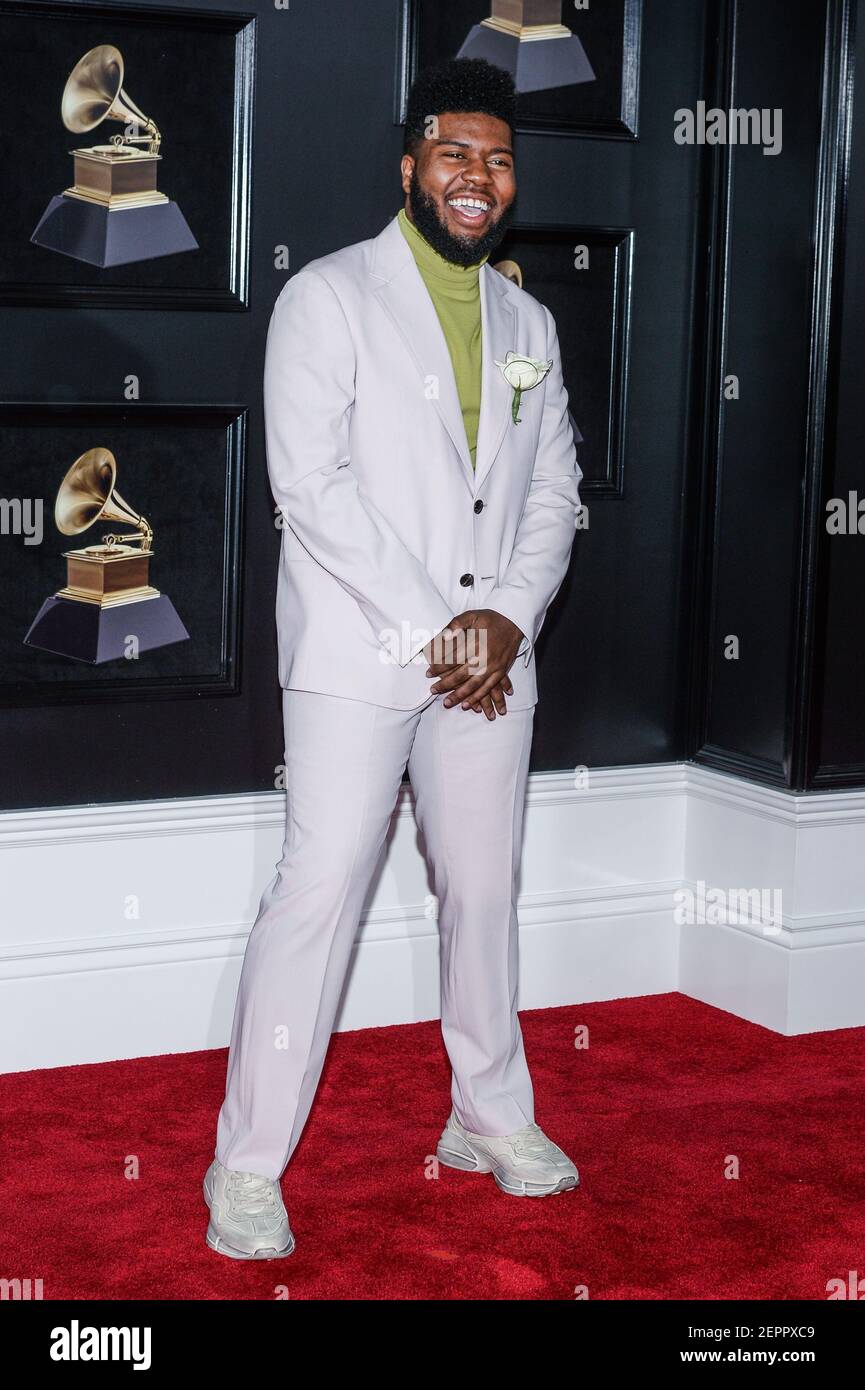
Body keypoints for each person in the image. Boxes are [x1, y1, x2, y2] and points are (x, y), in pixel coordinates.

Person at [204, 57, 583, 1260]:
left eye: (499, 157)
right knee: (317, 897)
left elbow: (556, 494)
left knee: (482, 895)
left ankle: (489, 1116)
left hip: (489, 665)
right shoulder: (326, 297)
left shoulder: (531, 322)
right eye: (457, 153)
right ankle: (246, 1166)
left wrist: (508, 618)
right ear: (410, 167)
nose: (480, 176)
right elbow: (309, 488)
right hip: (363, 655)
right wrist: (442, 627)